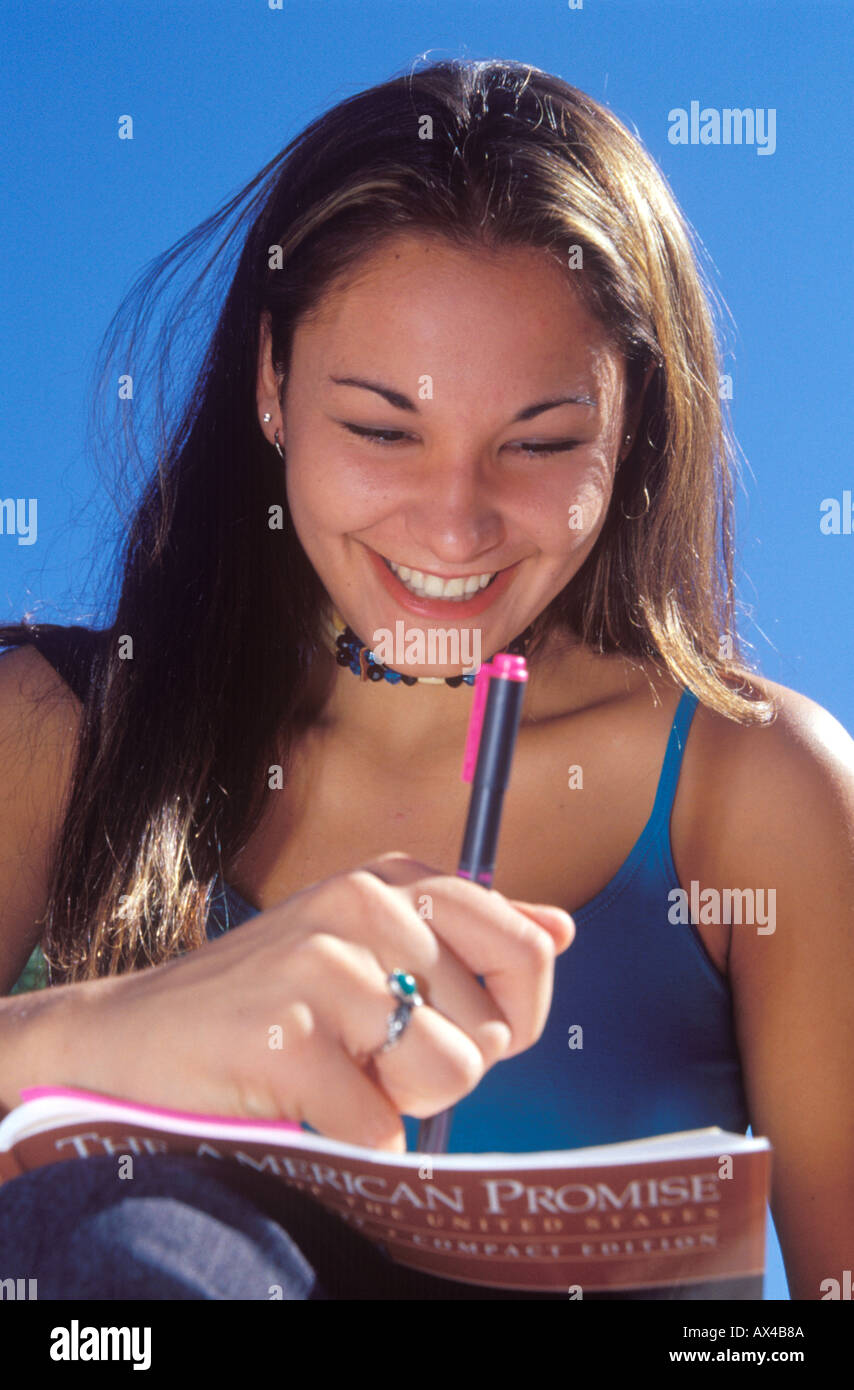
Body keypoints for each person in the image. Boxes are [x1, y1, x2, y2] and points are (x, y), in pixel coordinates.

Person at [0, 58, 851, 1302]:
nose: (454, 530)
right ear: (273, 387)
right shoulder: (51, 736)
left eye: (542, 442)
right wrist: (100, 1037)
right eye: (383, 429)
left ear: (631, 434)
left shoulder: (754, 792)